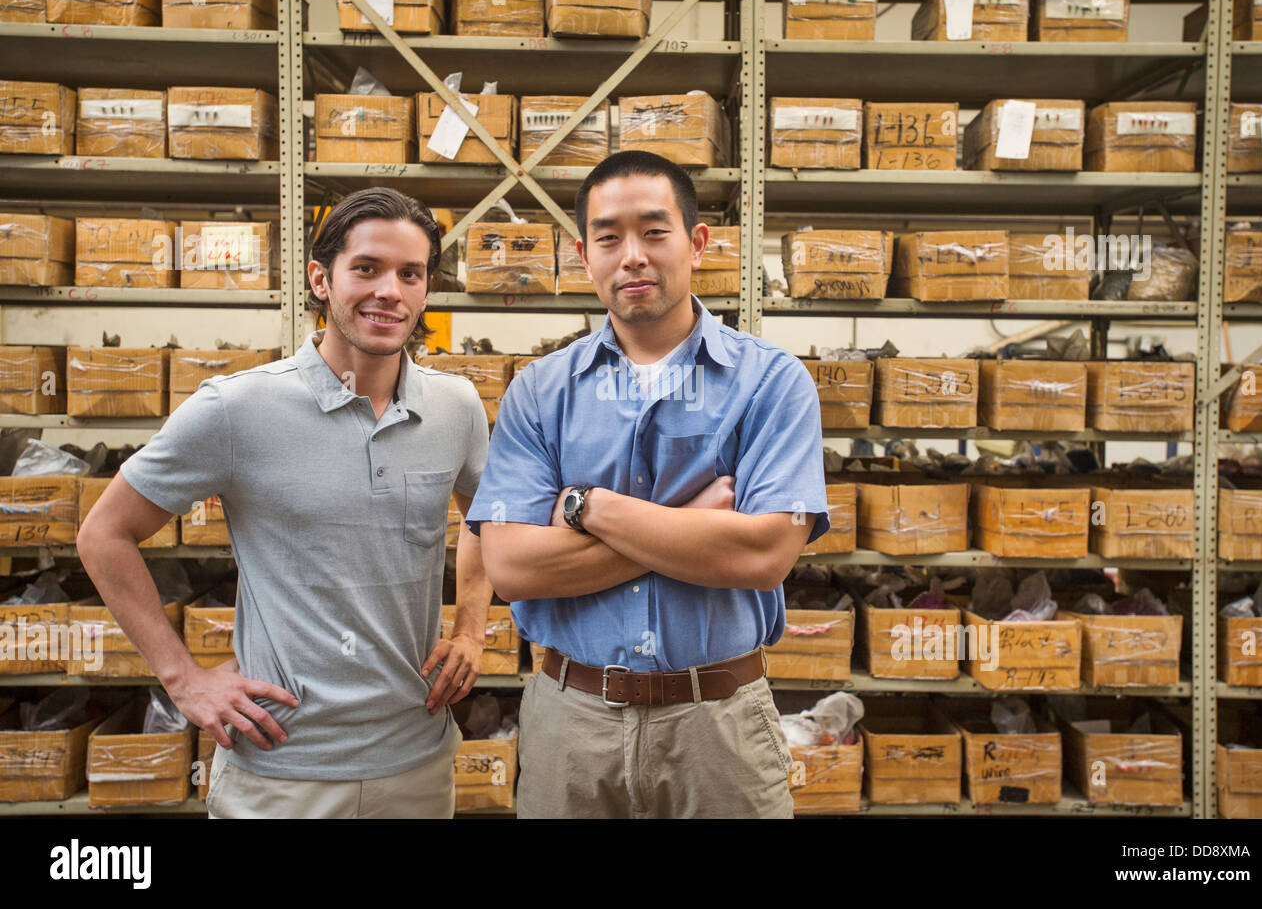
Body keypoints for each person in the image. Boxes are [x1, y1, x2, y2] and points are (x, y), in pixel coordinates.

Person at [77, 187, 492, 819]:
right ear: (320, 279)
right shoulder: (236, 408)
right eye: (367, 268)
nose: (390, 291)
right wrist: (183, 679)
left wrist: (469, 629)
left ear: (426, 290)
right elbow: (103, 534)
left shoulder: (456, 406)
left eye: (410, 274)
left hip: (418, 758)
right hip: (281, 771)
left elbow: (487, 521)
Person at [467, 151, 829, 818]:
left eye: (654, 232)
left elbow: (761, 555)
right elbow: (512, 566)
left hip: (718, 727)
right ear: (584, 255)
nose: (631, 255)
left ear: (697, 243)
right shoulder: (540, 392)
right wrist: (689, 520)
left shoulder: (772, 383)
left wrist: (586, 506)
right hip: (571, 727)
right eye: (608, 237)